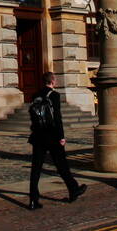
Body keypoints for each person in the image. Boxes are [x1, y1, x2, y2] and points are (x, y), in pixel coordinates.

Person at [27, 72, 85, 210]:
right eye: (55, 79)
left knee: (36, 168)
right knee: (61, 164)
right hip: (52, 136)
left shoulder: (35, 95)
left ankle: (33, 200)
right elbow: (57, 118)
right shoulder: (54, 95)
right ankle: (73, 189)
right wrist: (61, 137)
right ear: (52, 81)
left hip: (38, 136)